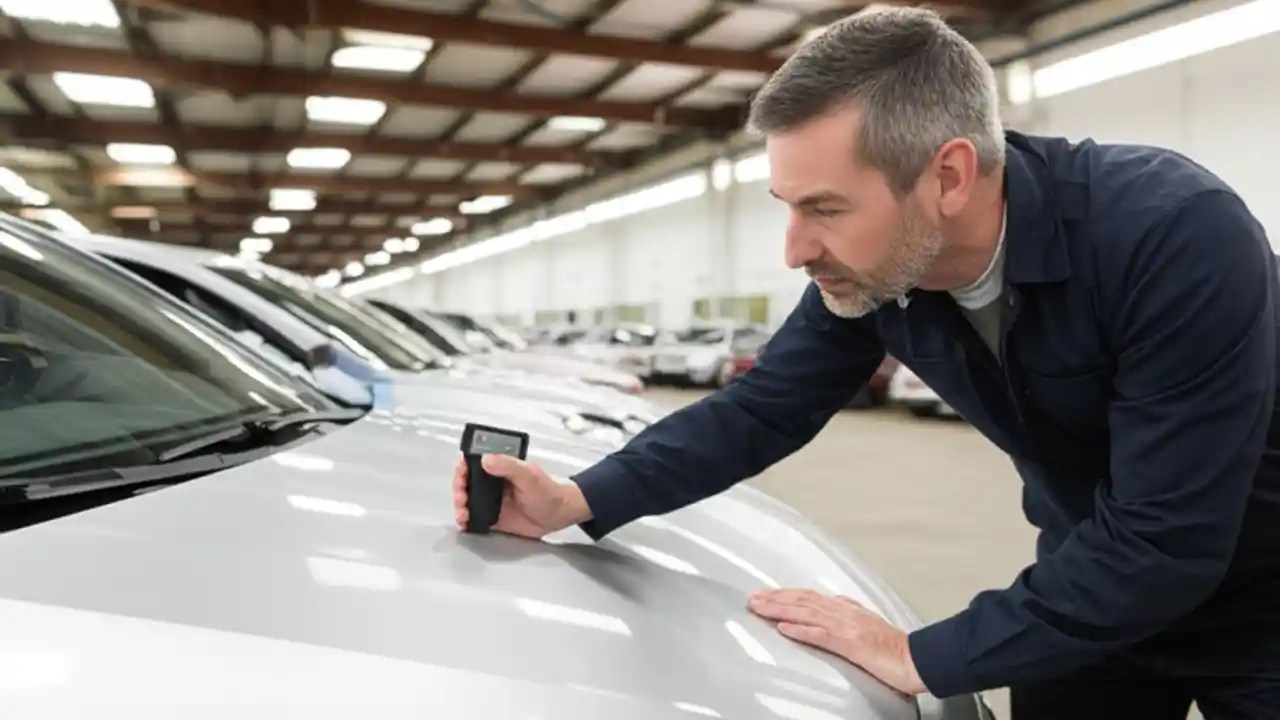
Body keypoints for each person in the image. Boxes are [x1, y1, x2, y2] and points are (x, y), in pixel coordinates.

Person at [452, 6, 1280, 718]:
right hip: (1084, 590)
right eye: (787, 207)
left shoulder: (1174, 237)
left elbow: (1166, 540)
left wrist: (918, 656)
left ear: (947, 176)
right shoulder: (884, 275)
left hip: (1260, 601)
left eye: (824, 208)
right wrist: (575, 498)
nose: (794, 250)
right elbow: (763, 405)